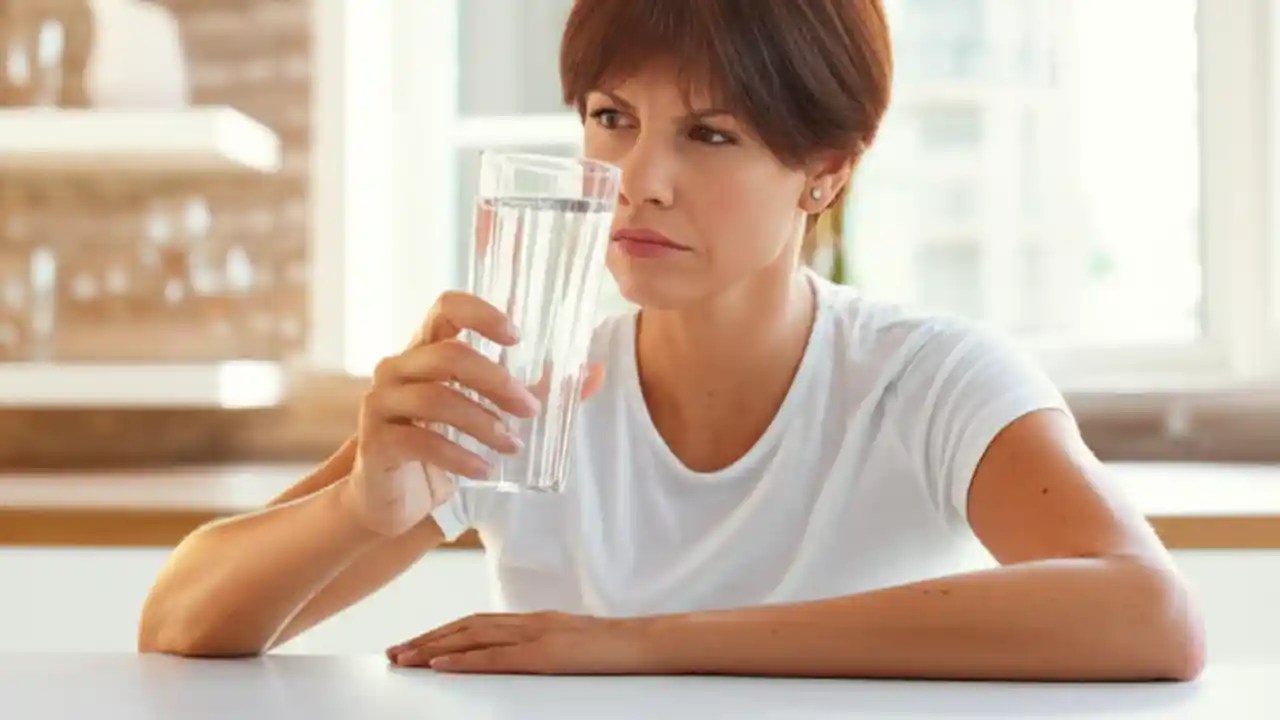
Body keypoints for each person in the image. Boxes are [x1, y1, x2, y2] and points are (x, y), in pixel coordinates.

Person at [138, 0, 1204, 681]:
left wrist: (642, 644)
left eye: (708, 134)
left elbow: (1148, 614)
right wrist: (360, 507)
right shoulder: (527, 384)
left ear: (826, 169)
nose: (637, 178)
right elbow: (181, 621)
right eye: (611, 118)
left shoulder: (922, 379)